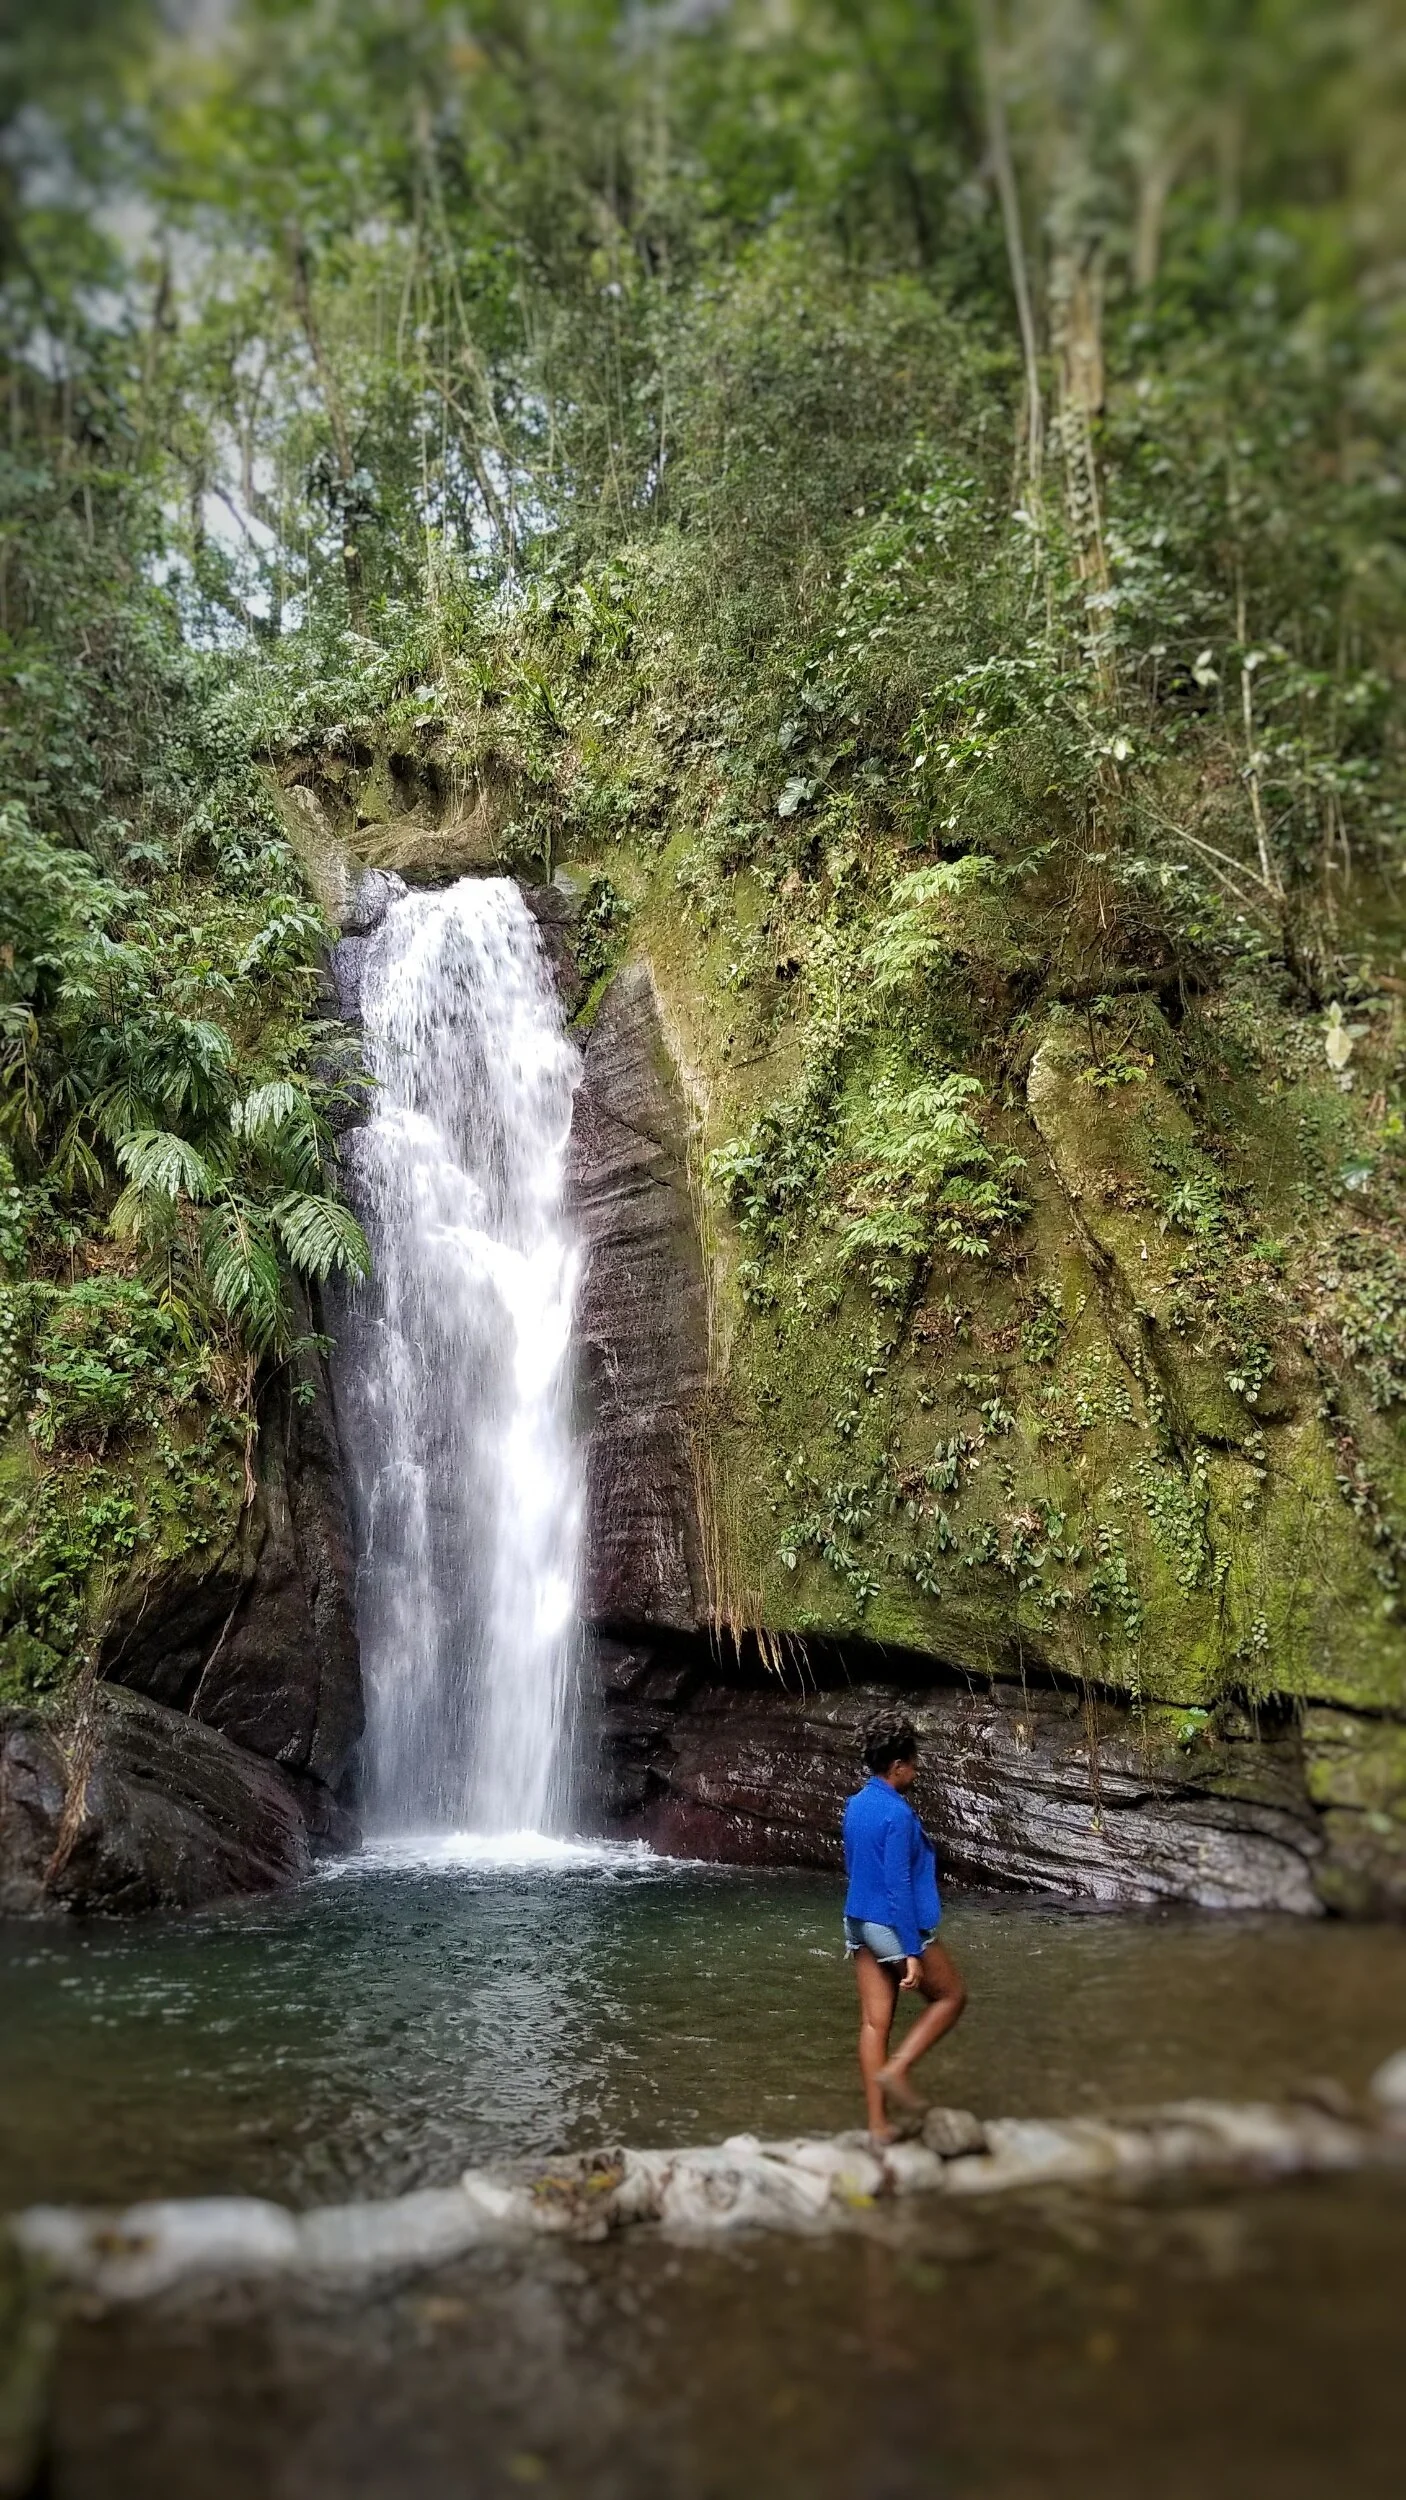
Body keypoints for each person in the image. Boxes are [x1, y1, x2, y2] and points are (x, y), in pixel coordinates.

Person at [842, 1713, 967, 2139]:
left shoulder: (856, 1804)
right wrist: (911, 1950)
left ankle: (879, 2127)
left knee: (874, 2024)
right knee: (950, 1997)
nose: (917, 1770)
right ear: (898, 1766)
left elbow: (856, 1865)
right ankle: (898, 2069)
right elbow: (897, 1884)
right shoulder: (897, 1813)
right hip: (890, 1923)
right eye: (913, 1764)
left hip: (856, 1921)